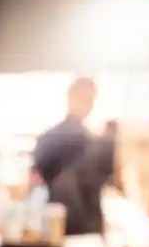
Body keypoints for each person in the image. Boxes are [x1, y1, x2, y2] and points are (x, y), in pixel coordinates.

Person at [31, 78, 116, 235]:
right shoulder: (53, 139)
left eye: (91, 100)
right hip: (66, 227)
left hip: (78, 227)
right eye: (85, 98)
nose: (89, 105)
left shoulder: (97, 142)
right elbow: (34, 181)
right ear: (71, 98)